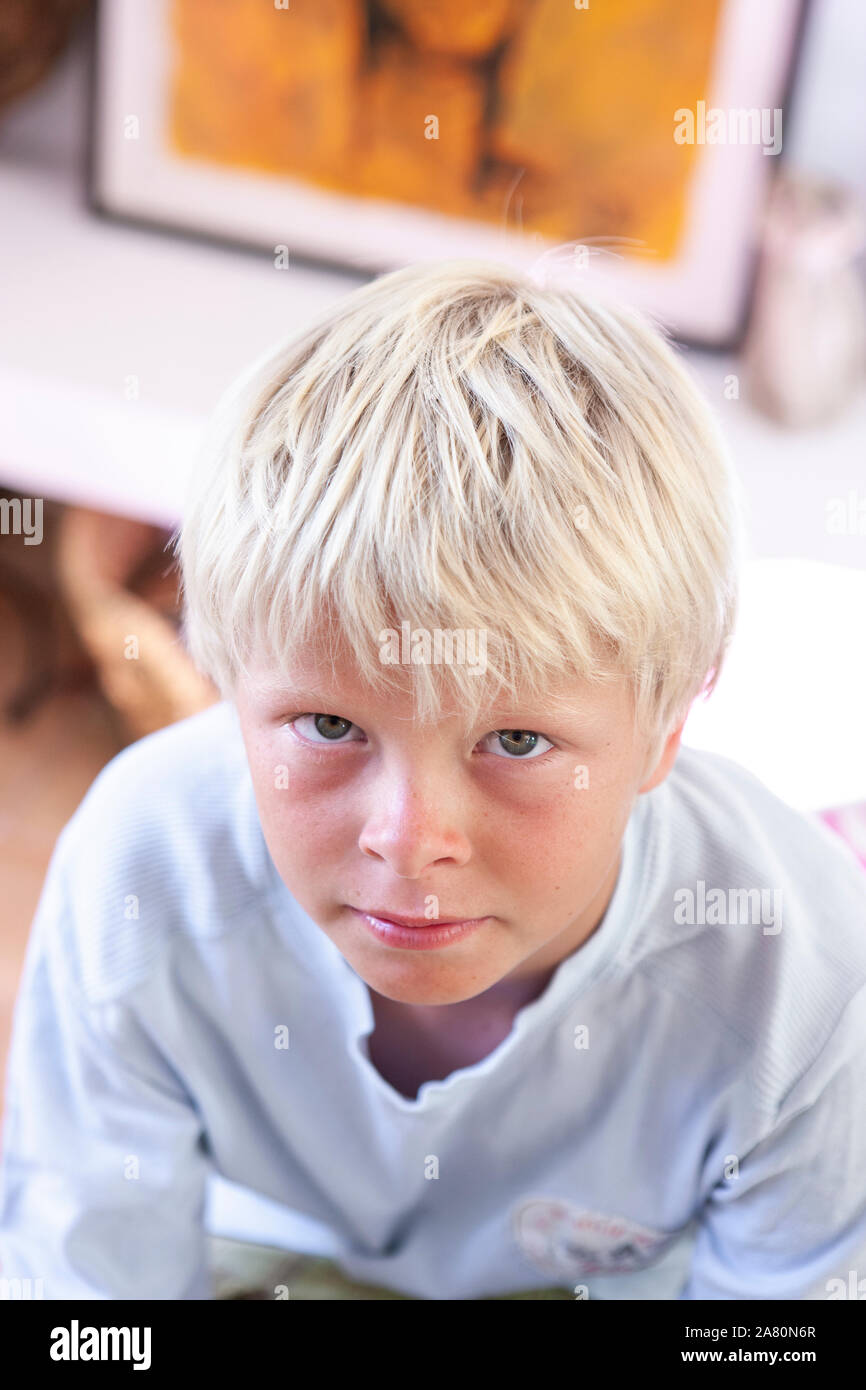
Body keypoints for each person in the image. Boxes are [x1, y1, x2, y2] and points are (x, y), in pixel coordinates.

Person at [1, 260, 865, 1301]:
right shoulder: (137, 869)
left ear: (667, 723)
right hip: (262, 1239)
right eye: (328, 725)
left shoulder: (803, 990)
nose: (409, 842)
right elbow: (91, 1293)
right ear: (224, 682)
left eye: (514, 742)